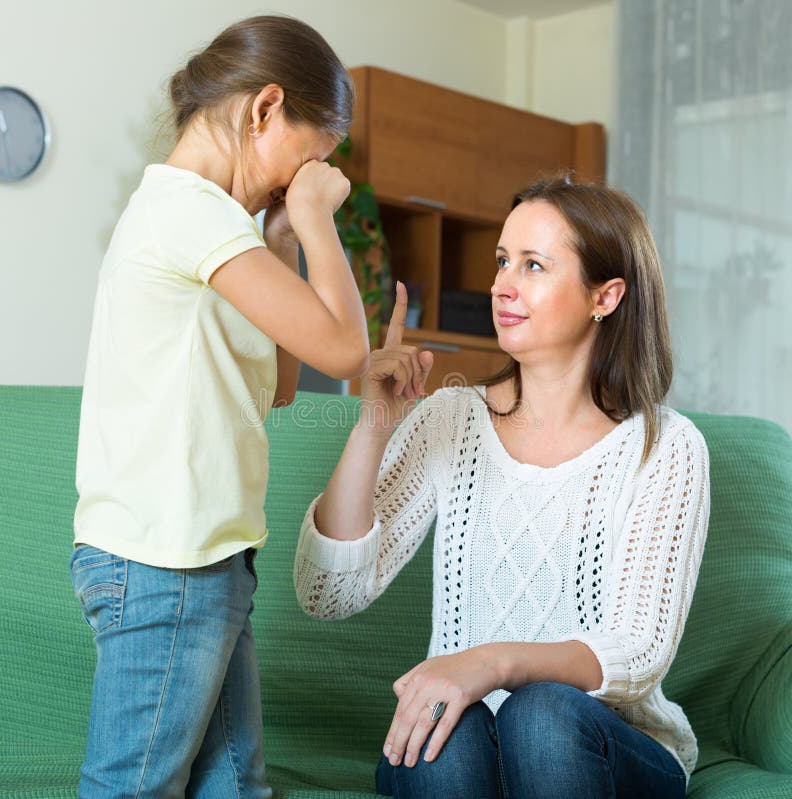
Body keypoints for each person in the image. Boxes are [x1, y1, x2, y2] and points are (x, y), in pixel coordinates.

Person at [294, 177, 711, 798]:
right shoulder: (452, 419)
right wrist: (373, 427)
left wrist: (489, 664)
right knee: (445, 732)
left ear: (607, 295)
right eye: (501, 261)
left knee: (538, 714)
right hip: (462, 742)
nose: (501, 286)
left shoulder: (664, 446)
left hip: (608, 746)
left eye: (534, 265)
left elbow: (637, 651)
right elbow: (327, 591)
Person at [70, 15, 369, 798]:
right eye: (309, 161)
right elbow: (346, 351)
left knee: (235, 785)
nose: (299, 183)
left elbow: (279, 385)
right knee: (132, 786)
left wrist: (282, 236)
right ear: (265, 109)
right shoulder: (188, 212)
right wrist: (314, 215)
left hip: (203, 557)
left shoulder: (210, 225)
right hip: (167, 559)